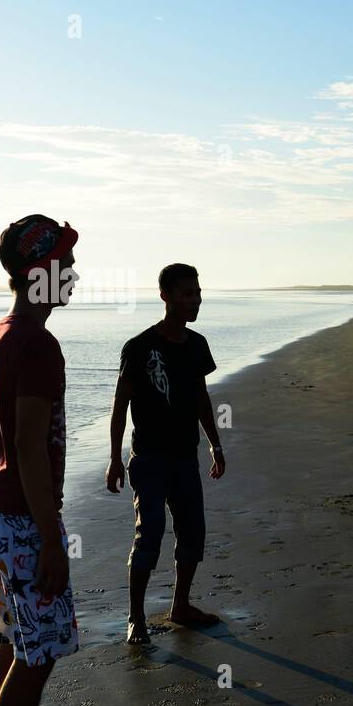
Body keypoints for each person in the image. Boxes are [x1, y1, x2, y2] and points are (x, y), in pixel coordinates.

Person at [0, 214, 82, 706]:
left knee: (11, 641)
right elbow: (31, 446)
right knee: (36, 653)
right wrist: (50, 536)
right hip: (21, 515)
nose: (74, 275)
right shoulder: (37, 344)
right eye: (65, 264)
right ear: (39, 271)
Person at [107, 264, 225, 645]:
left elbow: (201, 398)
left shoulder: (197, 345)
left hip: (185, 457)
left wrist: (215, 444)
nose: (195, 300)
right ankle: (136, 618)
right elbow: (120, 404)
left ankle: (180, 606)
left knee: (192, 531)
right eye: (187, 294)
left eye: (198, 293)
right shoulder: (139, 347)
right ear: (165, 297)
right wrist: (113, 457)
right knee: (150, 534)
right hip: (149, 460)